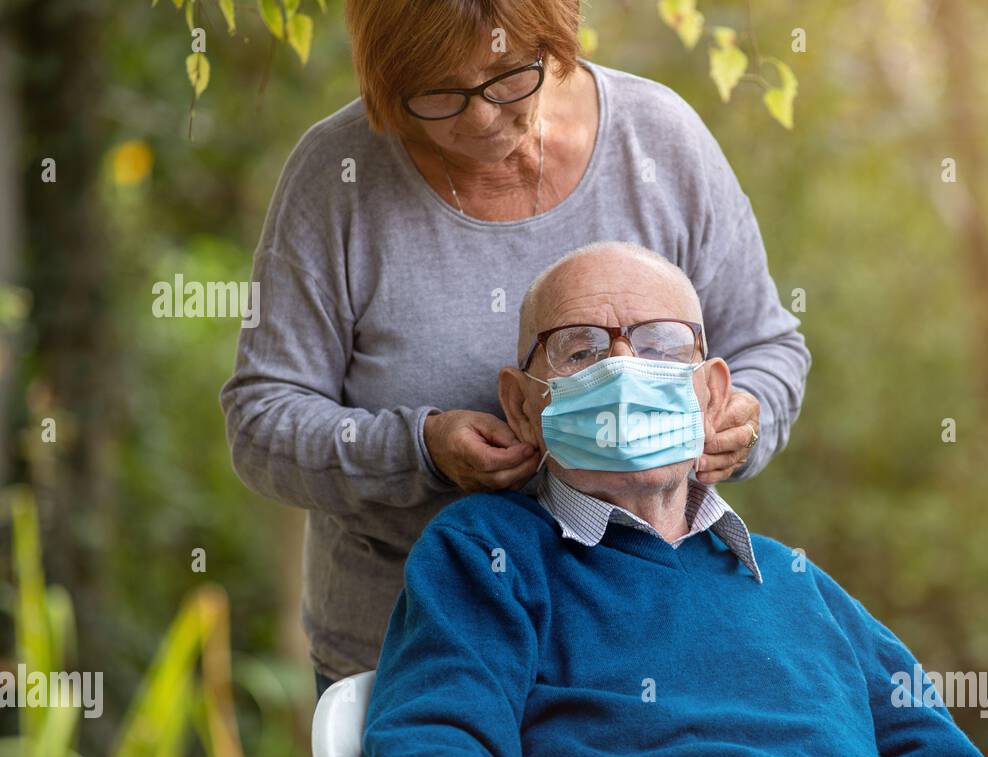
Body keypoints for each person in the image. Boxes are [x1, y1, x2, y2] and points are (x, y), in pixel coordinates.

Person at [219, 0, 810, 695]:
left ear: (552, 40)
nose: (478, 117)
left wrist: (748, 419)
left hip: (651, 647)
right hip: (413, 655)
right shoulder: (337, 177)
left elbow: (768, 346)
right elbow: (261, 424)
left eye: (505, 78)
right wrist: (419, 449)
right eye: (436, 91)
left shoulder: (659, 141)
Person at [361, 242, 988, 757]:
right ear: (523, 405)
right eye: (581, 349)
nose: (623, 367)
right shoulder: (487, 554)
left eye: (660, 345)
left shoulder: (798, 583)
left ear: (712, 395)